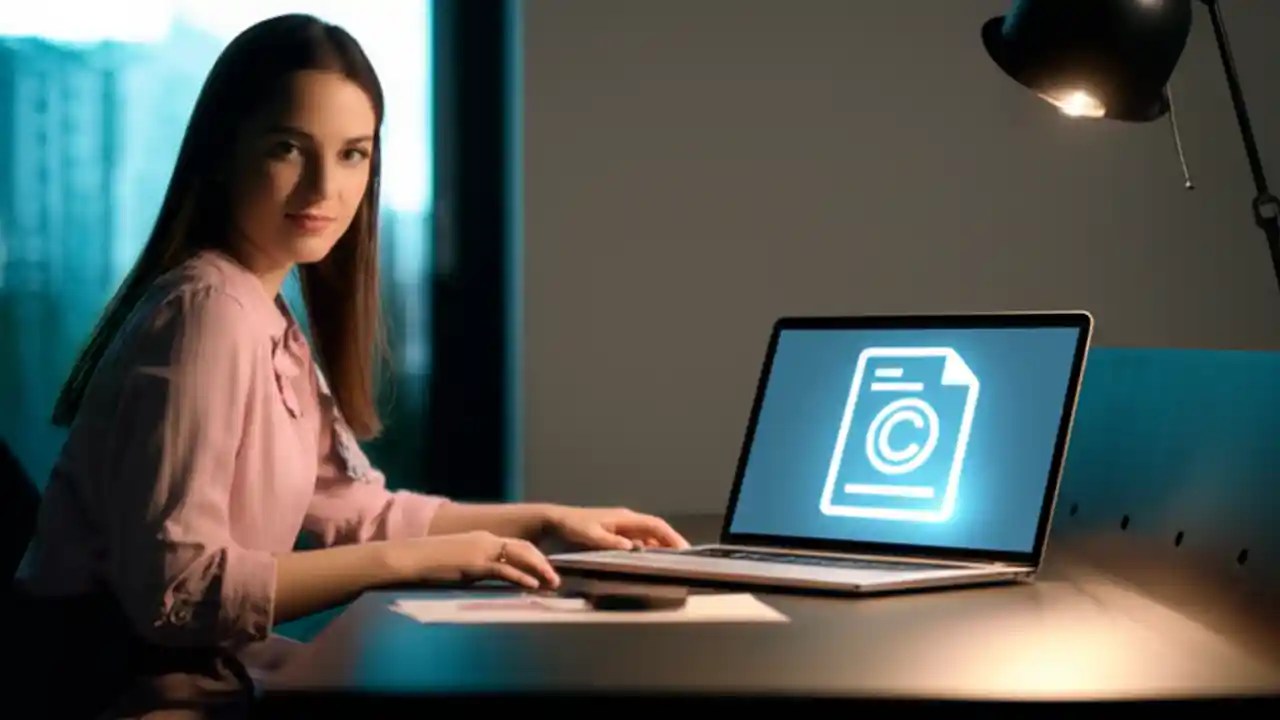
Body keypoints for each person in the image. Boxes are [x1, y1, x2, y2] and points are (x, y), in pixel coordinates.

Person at [15, 13, 688, 718]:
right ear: (223, 151)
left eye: (352, 155)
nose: (322, 191)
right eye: (288, 148)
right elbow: (178, 593)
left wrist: (548, 520)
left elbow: (362, 513)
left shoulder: (263, 313)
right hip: (123, 691)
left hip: (201, 673)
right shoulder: (206, 310)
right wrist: (420, 563)